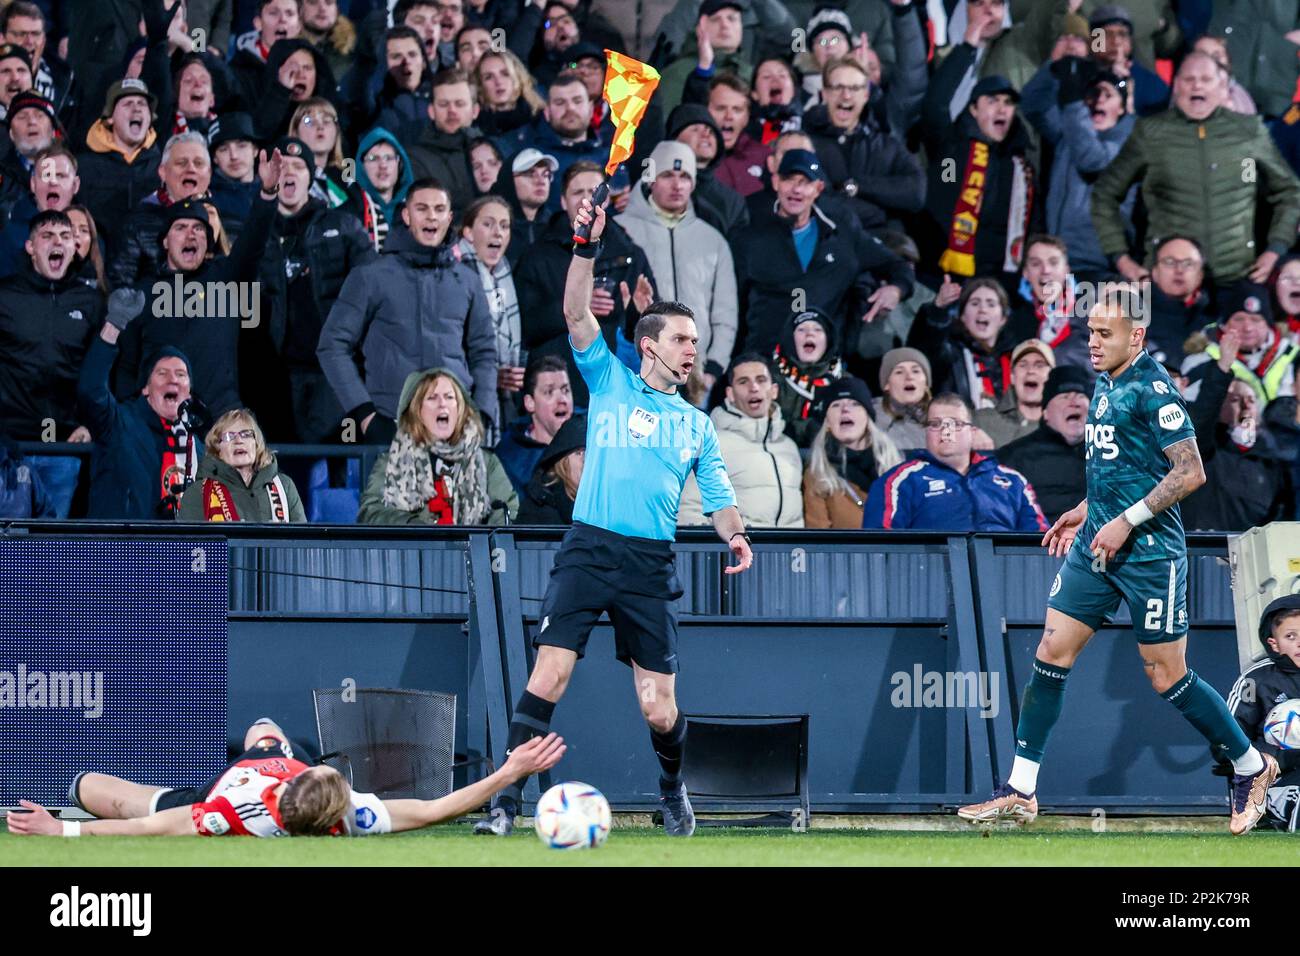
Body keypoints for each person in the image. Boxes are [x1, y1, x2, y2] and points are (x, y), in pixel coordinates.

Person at [473, 193, 752, 839]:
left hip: (648, 562)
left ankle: (671, 791)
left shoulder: (696, 425)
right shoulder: (610, 381)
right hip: (588, 547)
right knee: (551, 672)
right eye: (682, 339)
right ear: (650, 345)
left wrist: (736, 534)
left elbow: (718, 499)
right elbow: (574, 311)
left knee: (659, 709)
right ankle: (504, 804)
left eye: (695, 341)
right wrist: (587, 247)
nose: (692, 350)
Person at [958, 287, 1279, 835]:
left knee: (1165, 675)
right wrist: (1085, 510)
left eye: (1104, 334)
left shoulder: (1154, 388)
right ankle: (1022, 788)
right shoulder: (1106, 383)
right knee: (1051, 650)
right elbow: (1125, 464)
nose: (1093, 344)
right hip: (1097, 545)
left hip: (1150, 552)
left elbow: (1190, 472)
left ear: (1136, 335)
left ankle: (1252, 766)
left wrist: (1125, 520)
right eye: (1089, 334)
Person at [7, 716, 565, 838]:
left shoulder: (233, 814)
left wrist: (64, 833)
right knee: (265, 727)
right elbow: (439, 808)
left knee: (85, 787)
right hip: (252, 763)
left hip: (206, 792)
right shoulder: (355, 815)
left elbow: (156, 830)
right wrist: (509, 772)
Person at [1092, 51, 1300, 286]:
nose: (1197, 86)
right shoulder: (1150, 134)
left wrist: (1275, 250)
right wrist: (1122, 259)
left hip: (1237, 279)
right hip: (1169, 284)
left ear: (1222, 87)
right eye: (1189, 80)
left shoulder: (1249, 131)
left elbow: (1290, 192)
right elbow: (1104, 195)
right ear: (1176, 85)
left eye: (1206, 79)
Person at [318, 178, 498, 446]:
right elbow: (332, 346)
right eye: (422, 208)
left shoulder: (467, 280)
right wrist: (365, 415)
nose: (431, 217)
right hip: (391, 427)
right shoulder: (370, 276)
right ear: (406, 215)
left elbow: (484, 352)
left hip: (455, 430)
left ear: (450, 217)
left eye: (439, 209)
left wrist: (482, 414)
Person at [251, 136, 377, 444]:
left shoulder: (344, 225)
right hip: (274, 377)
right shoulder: (254, 232)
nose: (289, 173)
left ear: (310, 176)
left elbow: (373, 290)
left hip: (332, 375)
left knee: (334, 472)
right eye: (282, 167)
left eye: (298, 166)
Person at [732, 148, 912, 356]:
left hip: (825, 365)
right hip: (765, 364)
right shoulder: (749, 238)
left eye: (806, 182)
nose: (797, 189)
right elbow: (734, 307)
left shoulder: (842, 232)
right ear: (776, 183)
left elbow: (897, 265)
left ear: (818, 189)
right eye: (789, 179)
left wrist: (896, 289)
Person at [515, 161, 655, 408]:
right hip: (562, 392)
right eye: (577, 192)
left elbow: (652, 326)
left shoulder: (631, 254)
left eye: (593, 192)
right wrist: (577, 306)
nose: (587, 200)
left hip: (619, 389)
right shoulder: (537, 256)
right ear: (562, 201)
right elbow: (526, 325)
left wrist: (633, 312)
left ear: (607, 199)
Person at [0, 210, 105, 517]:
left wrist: (91, 423)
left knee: (50, 546)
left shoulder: (91, 301)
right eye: (47, 236)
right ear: (31, 247)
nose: (57, 242)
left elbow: (100, 371)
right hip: (9, 444)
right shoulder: (4, 296)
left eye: (65, 236)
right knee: (9, 543)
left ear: (75, 247)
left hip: (65, 445)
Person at [616, 141, 737, 399]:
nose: (677, 184)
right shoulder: (621, 231)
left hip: (696, 374)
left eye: (684, 177)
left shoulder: (712, 239)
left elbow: (725, 313)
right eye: (667, 175)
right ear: (651, 180)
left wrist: (713, 368)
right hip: (636, 366)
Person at [76, 290, 206, 520]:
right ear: (145, 388)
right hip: (117, 549)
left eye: (180, 374)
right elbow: (90, 389)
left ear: (189, 392)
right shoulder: (118, 423)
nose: (173, 379)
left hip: (174, 551)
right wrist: (114, 325)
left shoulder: (197, 448)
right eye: (162, 373)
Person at [1019, 59, 1137, 278]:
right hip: (1055, 263)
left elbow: (1091, 161)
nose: (1099, 100)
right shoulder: (1069, 134)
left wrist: (1073, 103)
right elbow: (1032, 104)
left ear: (1121, 108)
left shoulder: (1128, 144)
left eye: (1108, 95)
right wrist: (1054, 67)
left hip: (1095, 266)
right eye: (1093, 94)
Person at [864, 391, 1047, 531]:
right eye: (936, 424)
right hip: (930, 578)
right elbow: (879, 549)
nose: (946, 431)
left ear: (973, 431)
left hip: (1005, 577)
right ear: (925, 432)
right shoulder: (900, 482)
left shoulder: (1013, 482)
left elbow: (1040, 545)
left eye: (956, 424)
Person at [920, 72, 1040, 284]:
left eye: (1008, 102)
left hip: (1003, 279)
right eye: (992, 101)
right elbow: (941, 196)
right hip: (947, 275)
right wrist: (967, 48)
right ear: (974, 109)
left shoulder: (1022, 165)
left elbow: (1033, 223)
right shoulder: (952, 152)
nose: (1002, 109)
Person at [358, 368, 517, 525]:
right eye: (432, 398)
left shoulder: (487, 463)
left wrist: (486, 543)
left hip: (472, 549)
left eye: (449, 397)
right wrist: (411, 527)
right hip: (415, 548)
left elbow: (507, 512)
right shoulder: (391, 462)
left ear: (460, 408)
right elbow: (370, 512)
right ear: (416, 411)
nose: (442, 404)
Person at [803, 56, 924, 235]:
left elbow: (916, 193)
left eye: (854, 88)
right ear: (825, 94)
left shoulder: (887, 145)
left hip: (882, 244)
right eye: (838, 87)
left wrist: (856, 186)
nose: (846, 95)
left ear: (866, 95)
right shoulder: (805, 143)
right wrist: (878, 210)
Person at [679, 354, 804, 527]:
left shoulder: (789, 447)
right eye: (743, 382)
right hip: (737, 552)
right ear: (730, 393)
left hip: (785, 553)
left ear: (774, 390)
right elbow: (689, 509)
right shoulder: (711, 444)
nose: (754, 387)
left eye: (761, 380)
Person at [1223, 596, 1300, 832]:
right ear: (1273, 643)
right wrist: (1283, 757)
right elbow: (1224, 742)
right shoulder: (1255, 680)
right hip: (1275, 780)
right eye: (1291, 636)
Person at [108, 130, 214, 291]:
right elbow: (121, 289)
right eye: (181, 163)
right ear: (162, 172)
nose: (191, 169)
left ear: (209, 174)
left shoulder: (228, 220)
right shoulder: (136, 223)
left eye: (198, 163)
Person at [456, 194, 521, 435]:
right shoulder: (455, 275)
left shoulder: (504, 276)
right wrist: (489, 375)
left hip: (500, 401)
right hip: (460, 400)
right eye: (488, 224)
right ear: (468, 233)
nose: (498, 233)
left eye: (504, 226)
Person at [803, 375, 901, 529]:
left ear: (868, 417)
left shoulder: (897, 470)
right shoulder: (817, 475)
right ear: (827, 422)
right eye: (836, 405)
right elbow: (818, 541)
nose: (845, 409)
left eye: (855, 403)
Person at [75, 79, 162, 250]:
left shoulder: (166, 166)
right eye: (127, 103)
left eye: (142, 104)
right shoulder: (83, 167)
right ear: (110, 118)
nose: (136, 108)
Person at [998, 364, 1090, 524]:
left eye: (1081, 396)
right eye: (1064, 397)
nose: (1074, 402)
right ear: (1046, 413)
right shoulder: (1015, 456)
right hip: (1040, 545)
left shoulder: (1112, 452)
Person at [176, 409, 306, 522]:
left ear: (256, 444)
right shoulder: (198, 493)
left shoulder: (285, 487)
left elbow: (302, 544)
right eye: (229, 436)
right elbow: (192, 548)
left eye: (246, 434)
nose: (239, 441)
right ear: (217, 449)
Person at [909, 276, 1016, 411]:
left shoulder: (1017, 361)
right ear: (962, 316)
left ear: (1003, 318)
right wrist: (938, 309)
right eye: (975, 303)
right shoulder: (949, 355)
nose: (983, 309)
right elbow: (924, 351)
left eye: (991, 304)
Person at [1182, 282, 1298, 407]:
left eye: (1256, 319)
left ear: (1268, 325)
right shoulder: (1200, 360)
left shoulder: (1293, 355)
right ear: (1224, 325)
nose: (1248, 328)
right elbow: (1195, 412)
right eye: (1239, 319)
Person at [494, 355, 573, 494]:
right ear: (530, 403)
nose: (562, 399)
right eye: (549, 392)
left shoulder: (591, 434)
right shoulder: (509, 459)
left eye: (565, 390)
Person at [406, 66, 479, 211]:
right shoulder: (413, 159)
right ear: (431, 111)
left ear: (475, 111)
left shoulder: (492, 152)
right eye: (444, 104)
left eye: (459, 104)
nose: (451, 110)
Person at [772, 309, 844, 448]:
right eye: (801, 329)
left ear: (828, 340)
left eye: (818, 329)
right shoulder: (770, 379)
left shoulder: (844, 382)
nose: (810, 333)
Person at [972, 338, 1055, 448]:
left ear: (1053, 376)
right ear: (1012, 376)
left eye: (1039, 365)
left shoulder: (1066, 428)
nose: (1030, 371)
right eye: (1023, 365)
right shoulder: (982, 422)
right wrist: (969, 432)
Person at [352, 127, 416, 252]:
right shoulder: (349, 215)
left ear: (400, 163)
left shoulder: (416, 210)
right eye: (373, 159)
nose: (383, 165)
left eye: (389, 158)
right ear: (361, 166)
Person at [517, 412, 586, 524]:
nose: (586, 460)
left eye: (592, 453)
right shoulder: (537, 511)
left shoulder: (610, 508)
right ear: (562, 463)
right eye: (579, 453)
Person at [873, 346, 930, 454]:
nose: (909, 377)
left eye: (916, 371)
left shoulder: (944, 419)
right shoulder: (872, 420)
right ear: (886, 384)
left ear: (926, 383)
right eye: (899, 372)